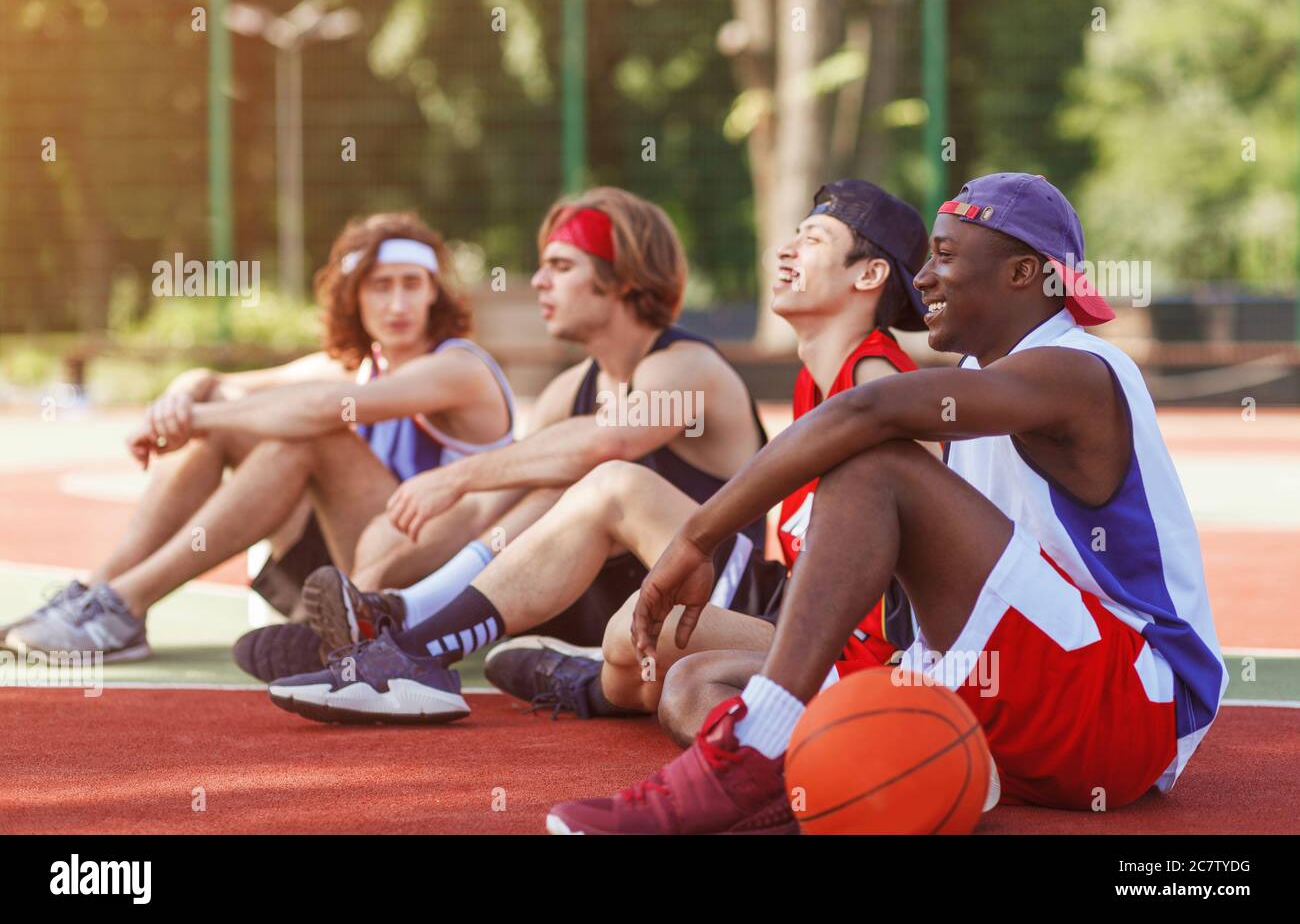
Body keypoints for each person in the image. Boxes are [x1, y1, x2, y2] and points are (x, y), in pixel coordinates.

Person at [547, 173, 1227, 835]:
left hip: (1127, 704)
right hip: (1021, 681)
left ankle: (752, 758)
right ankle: (864, 783)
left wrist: (697, 538)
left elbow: (870, 411)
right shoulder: (977, 378)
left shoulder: (1077, 369)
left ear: (1023, 274)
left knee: (874, 464)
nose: (924, 277)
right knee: (694, 683)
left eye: (947, 256)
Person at [255, 187, 769, 717]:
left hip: (713, 601)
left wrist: (459, 476)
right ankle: (391, 617)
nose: (540, 282)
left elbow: (610, 440)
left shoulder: (689, 368)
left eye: (561, 266)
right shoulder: (568, 390)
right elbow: (499, 501)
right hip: (609, 606)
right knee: (537, 483)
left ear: (623, 276)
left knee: (598, 476)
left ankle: (410, 634)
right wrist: (380, 573)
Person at [466, 179, 932, 725]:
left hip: (864, 648)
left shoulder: (878, 384)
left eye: (813, 240)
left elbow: (930, 547)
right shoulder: (818, 381)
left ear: (869, 274)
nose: (784, 250)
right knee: (632, 637)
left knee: (647, 650)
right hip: (795, 607)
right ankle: (585, 677)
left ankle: (577, 680)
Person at [3, 212, 515, 662]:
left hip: (425, 573)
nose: (398, 302)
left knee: (308, 434)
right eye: (380, 285)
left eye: (411, 283)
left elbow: (316, 409)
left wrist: (200, 416)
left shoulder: (458, 368)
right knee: (238, 424)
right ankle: (98, 592)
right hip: (353, 556)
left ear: (434, 293)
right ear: (354, 296)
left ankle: (128, 603)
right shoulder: (358, 367)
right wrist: (181, 397)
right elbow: (220, 386)